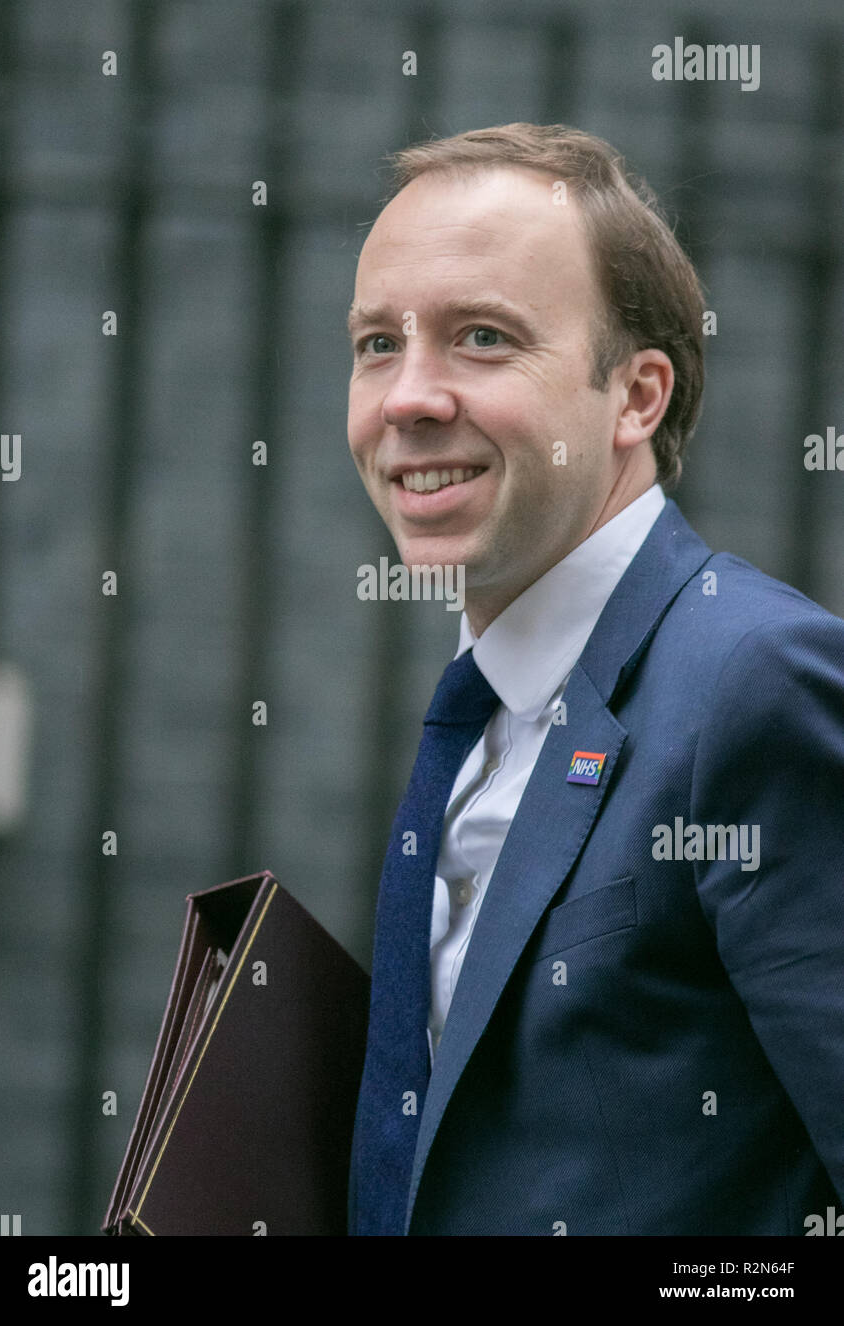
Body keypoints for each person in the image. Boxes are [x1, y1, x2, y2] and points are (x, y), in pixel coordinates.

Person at [344, 123, 844, 1236]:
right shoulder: (481, 714)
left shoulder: (754, 682)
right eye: (378, 342)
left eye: (480, 337)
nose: (406, 398)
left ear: (634, 398)